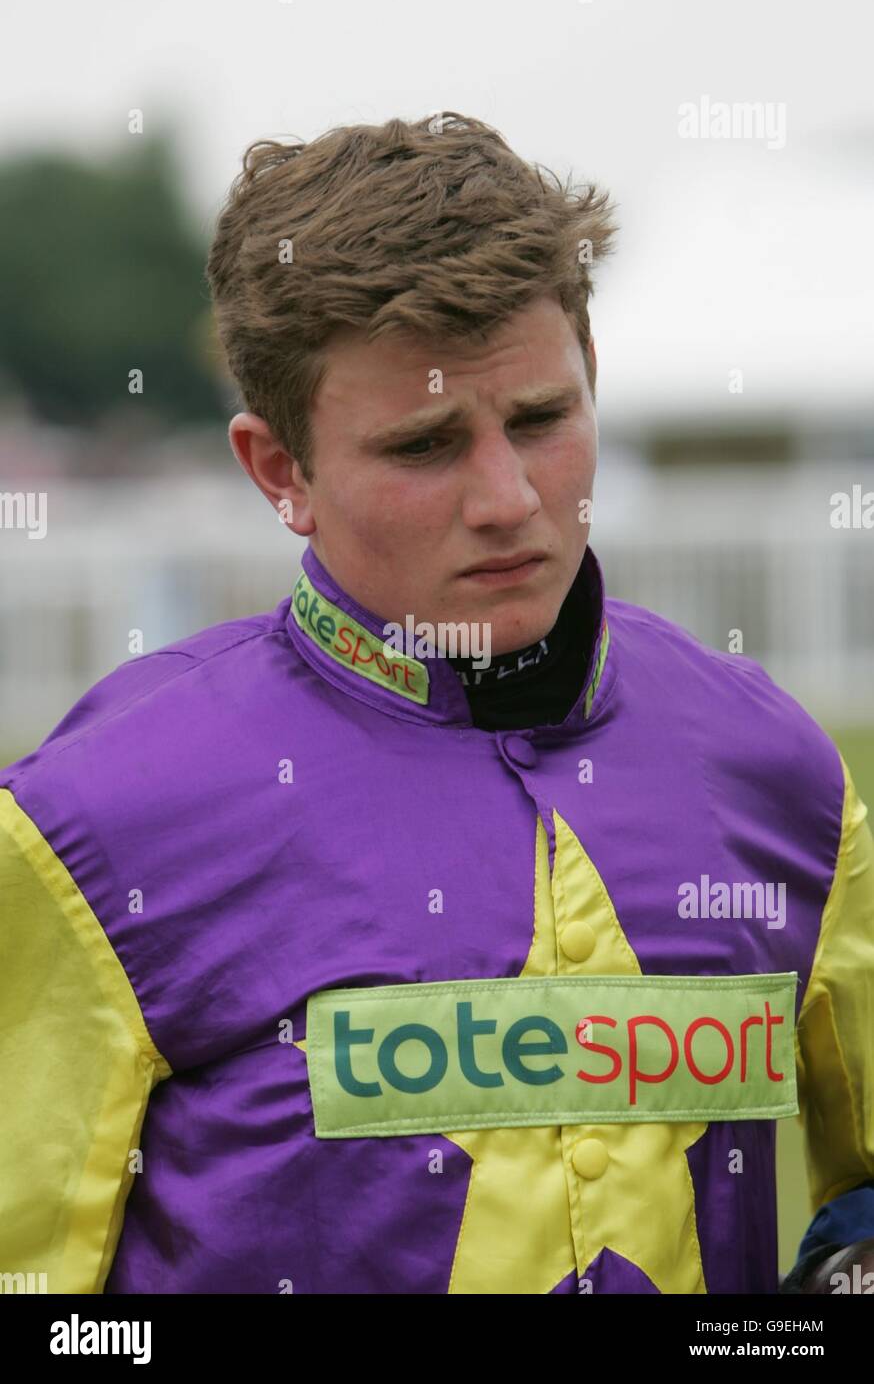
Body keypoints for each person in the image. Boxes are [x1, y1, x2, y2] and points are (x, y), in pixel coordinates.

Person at [1, 112, 873, 1296]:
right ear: (280, 470)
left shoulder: (781, 774)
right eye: (424, 445)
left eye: (540, 420)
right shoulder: (90, 824)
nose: (510, 497)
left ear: (591, 381)